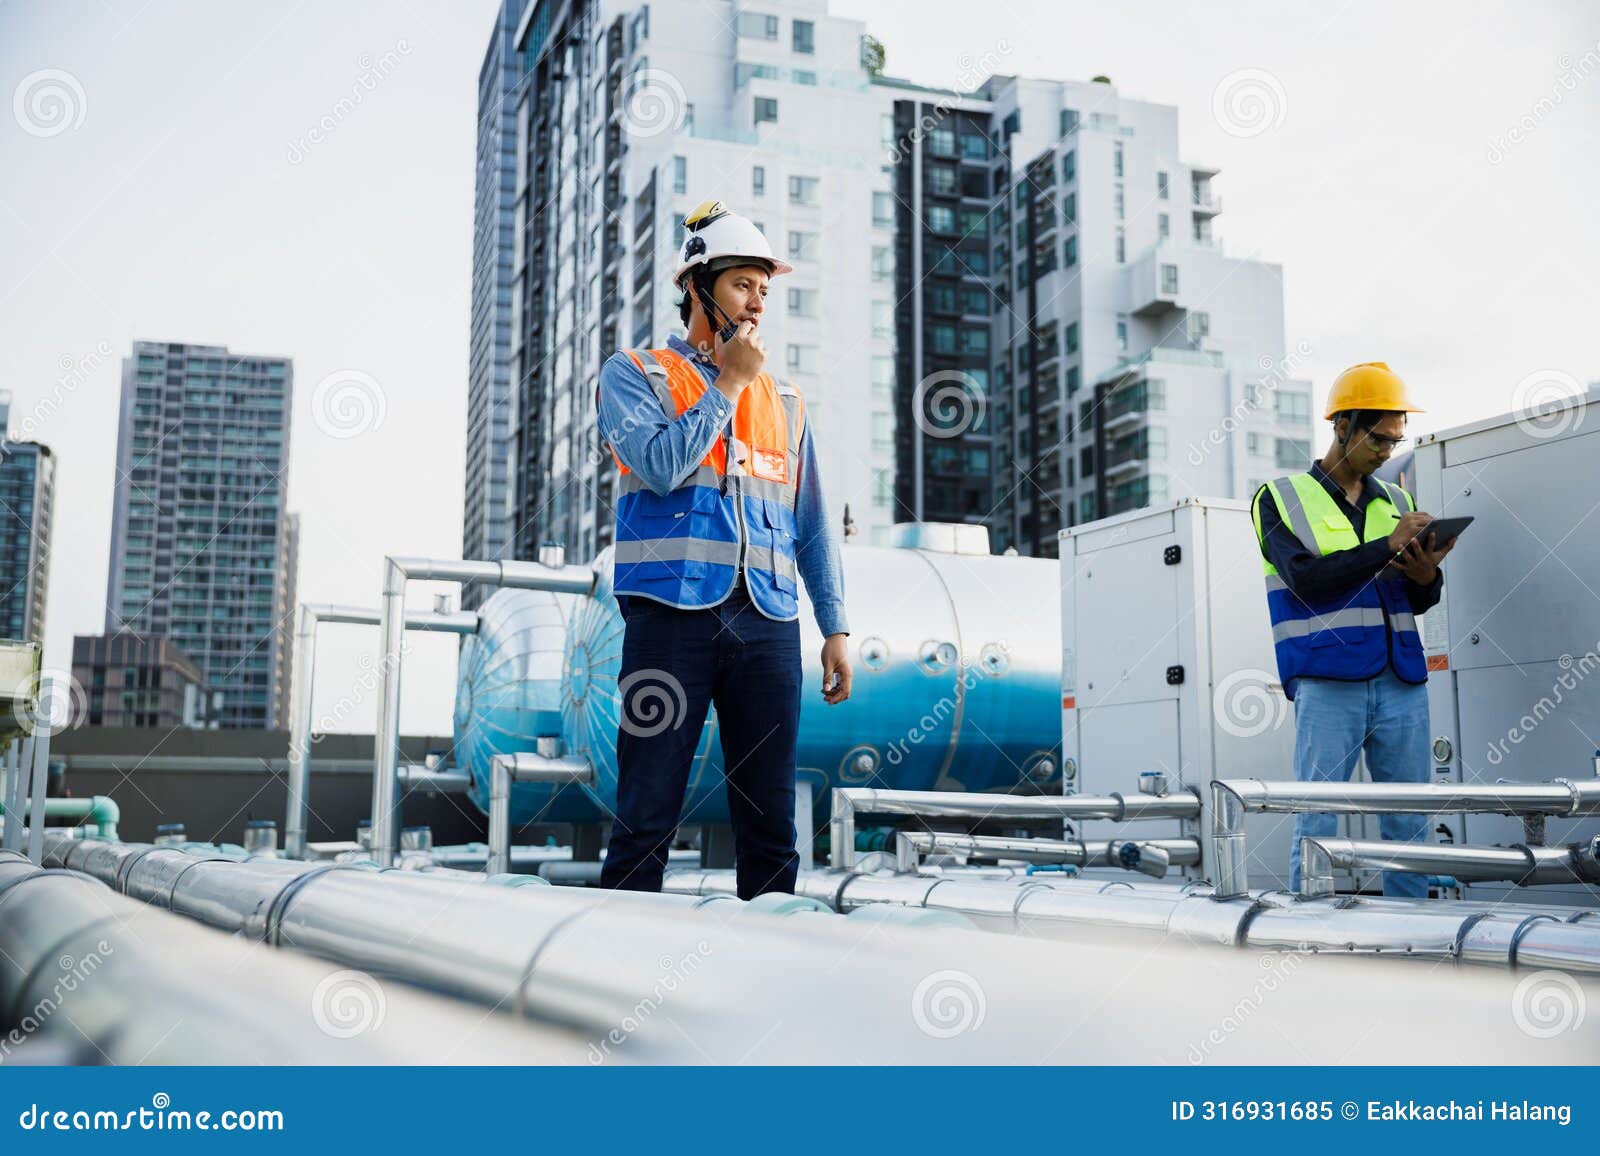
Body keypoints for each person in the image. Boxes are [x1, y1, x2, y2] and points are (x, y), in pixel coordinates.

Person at [594, 199, 852, 899]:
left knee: (771, 827)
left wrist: (835, 627)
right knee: (646, 816)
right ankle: (614, 954)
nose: (758, 302)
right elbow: (658, 466)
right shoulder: (635, 373)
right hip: (669, 620)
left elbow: (811, 522)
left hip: (767, 623)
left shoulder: (787, 402)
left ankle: (769, 958)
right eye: (743, 285)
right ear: (696, 287)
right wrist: (728, 383)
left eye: (764, 289)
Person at [1251, 362, 1455, 897]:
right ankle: (1307, 931)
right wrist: (1387, 546)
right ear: (1342, 426)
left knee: (1409, 822)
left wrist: (1426, 574)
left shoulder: (1399, 502)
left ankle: (1410, 931)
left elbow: (1419, 599)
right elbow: (1306, 580)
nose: (1387, 451)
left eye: (1395, 441)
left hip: (1401, 679)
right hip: (1326, 678)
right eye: (1378, 438)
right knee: (1317, 818)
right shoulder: (1279, 497)